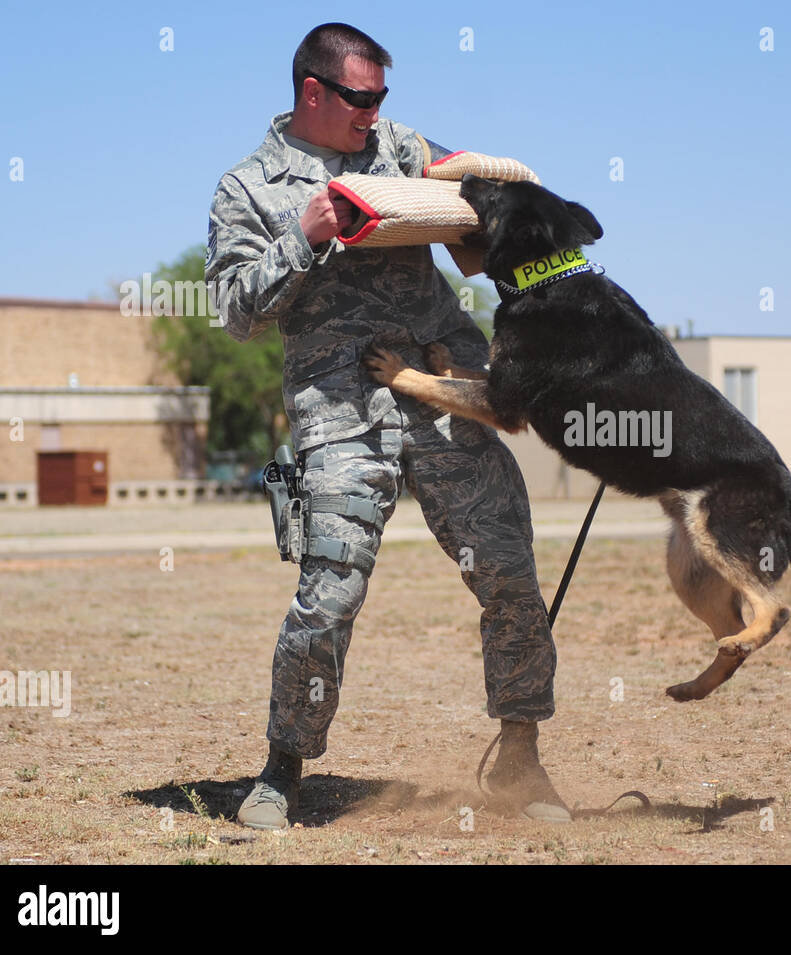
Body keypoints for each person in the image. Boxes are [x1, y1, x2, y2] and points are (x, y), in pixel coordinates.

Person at [205, 22, 570, 828]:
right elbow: (234, 312)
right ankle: (283, 765)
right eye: (360, 98)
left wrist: (535, 238)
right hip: (339, 406)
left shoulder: (397, 146)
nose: (375, 114)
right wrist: (304, 238)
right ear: (312, 91)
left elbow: (470, 185)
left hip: (443, 384)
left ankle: (521, 755)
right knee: (328, 593)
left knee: (508, 569)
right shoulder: (248, 189)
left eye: (381, 98)